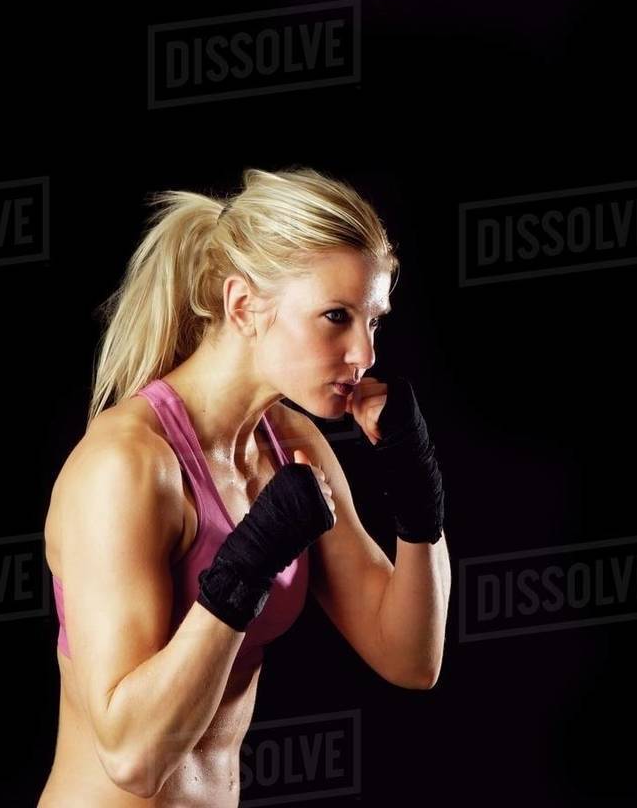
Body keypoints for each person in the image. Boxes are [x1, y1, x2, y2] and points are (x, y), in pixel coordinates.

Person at [38, 166, 450, 805]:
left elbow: (409, 658)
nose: (363, 354)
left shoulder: (290, 444)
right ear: (242, 306)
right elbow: (132, 758)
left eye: (373, 321)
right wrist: (246, 566)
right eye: (335, 316)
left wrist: (418, 496)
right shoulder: (127, 466)